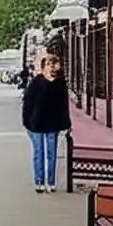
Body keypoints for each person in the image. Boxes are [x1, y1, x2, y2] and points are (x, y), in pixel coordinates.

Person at [22, 53, 71, 193]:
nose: (52, 68)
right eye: (49, 65)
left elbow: (64, 105)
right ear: (43, 67)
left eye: (54, 64)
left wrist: (66, 123)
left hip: (53, 123)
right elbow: (27, 104)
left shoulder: (60, 84)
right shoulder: (36, 83)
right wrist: (26, 122)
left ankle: (51, 182)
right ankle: (39, 181)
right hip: (36, 123)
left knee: (52, 153)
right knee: (39, 152)